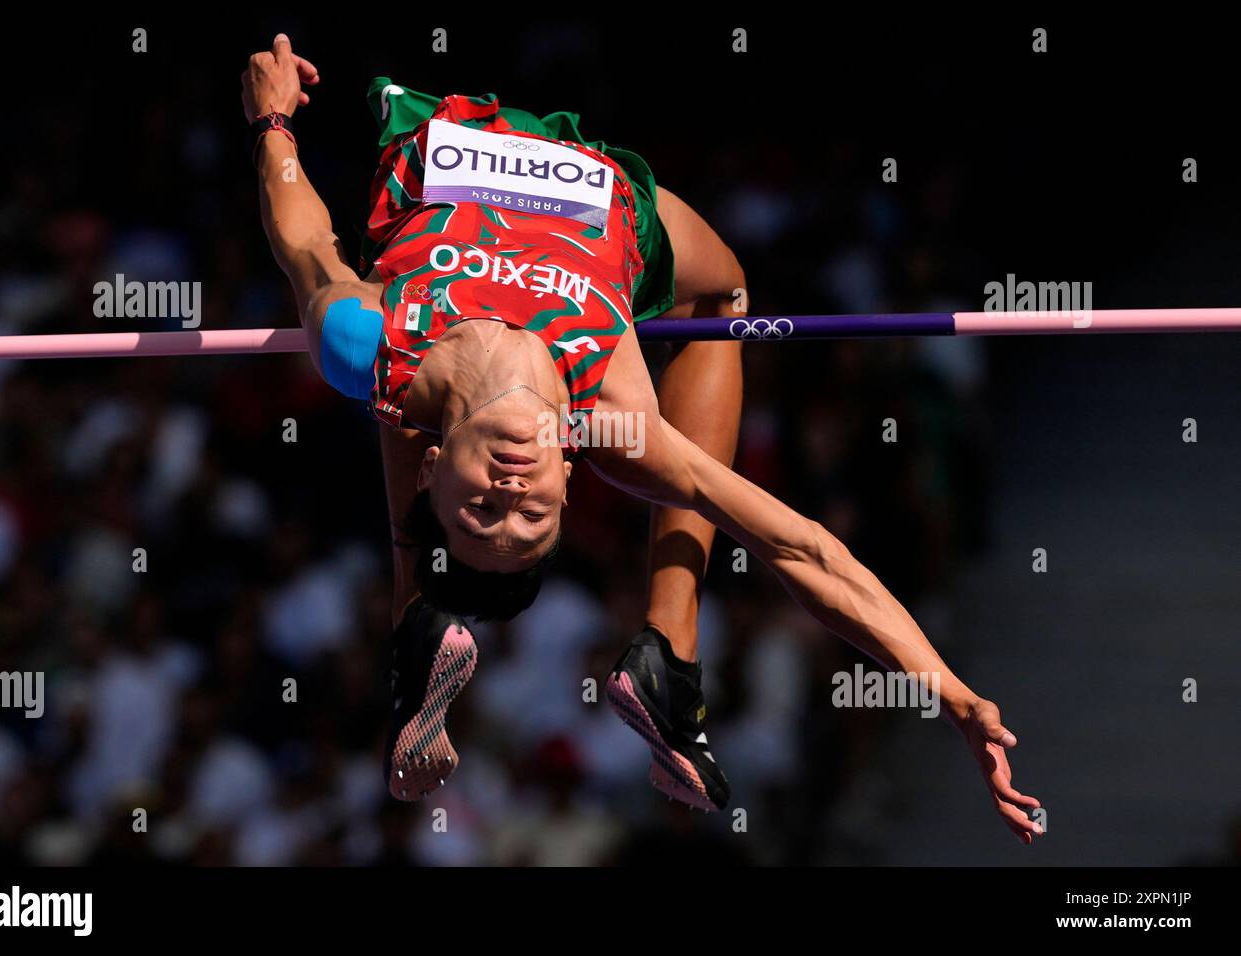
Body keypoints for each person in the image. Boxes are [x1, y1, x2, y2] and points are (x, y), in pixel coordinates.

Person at [241, 35, 1043, 842]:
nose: (513, 496)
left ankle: (415, 636)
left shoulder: (367, 341)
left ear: (438, 471)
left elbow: (301, 238)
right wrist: (953, 695)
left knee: (393, 393)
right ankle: (670, 648)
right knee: (724, 289)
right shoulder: (617, 422)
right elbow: (804, 551)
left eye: (485, 510)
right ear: (566, 481)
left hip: (451, 162)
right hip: (593, 197)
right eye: (531, 519)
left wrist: (272, 119)